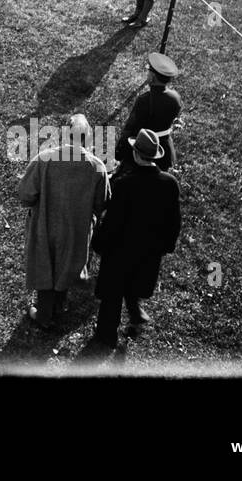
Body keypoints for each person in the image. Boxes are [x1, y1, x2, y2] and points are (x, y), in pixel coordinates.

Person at [18, 113, 110, 329]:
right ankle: (59, 305)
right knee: (67, 264)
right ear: (87, 138)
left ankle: (43, 316)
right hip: (76, 229)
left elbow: (25, 195)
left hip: (45, 225)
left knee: (45, 263)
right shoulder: (97, 167)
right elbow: (102, 202)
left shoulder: (44, 159)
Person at [91, 128, 181, 346]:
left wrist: (99, 243)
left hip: (120, 252)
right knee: (134, 285)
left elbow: (112, 222)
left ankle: (107, 335)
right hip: (149, 252)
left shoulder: (124, 185)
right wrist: (166, 246)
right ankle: (136, 316)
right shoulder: (169, 184)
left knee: (112, 295)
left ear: (135, 154)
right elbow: (174, 222)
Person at [114, 52, 182, 178]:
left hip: (142, 148)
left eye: (149, 71)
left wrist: (119, 152)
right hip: (164, 149)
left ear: (152, 77)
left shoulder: (144, 100)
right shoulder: (176, 98)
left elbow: (130, 129)